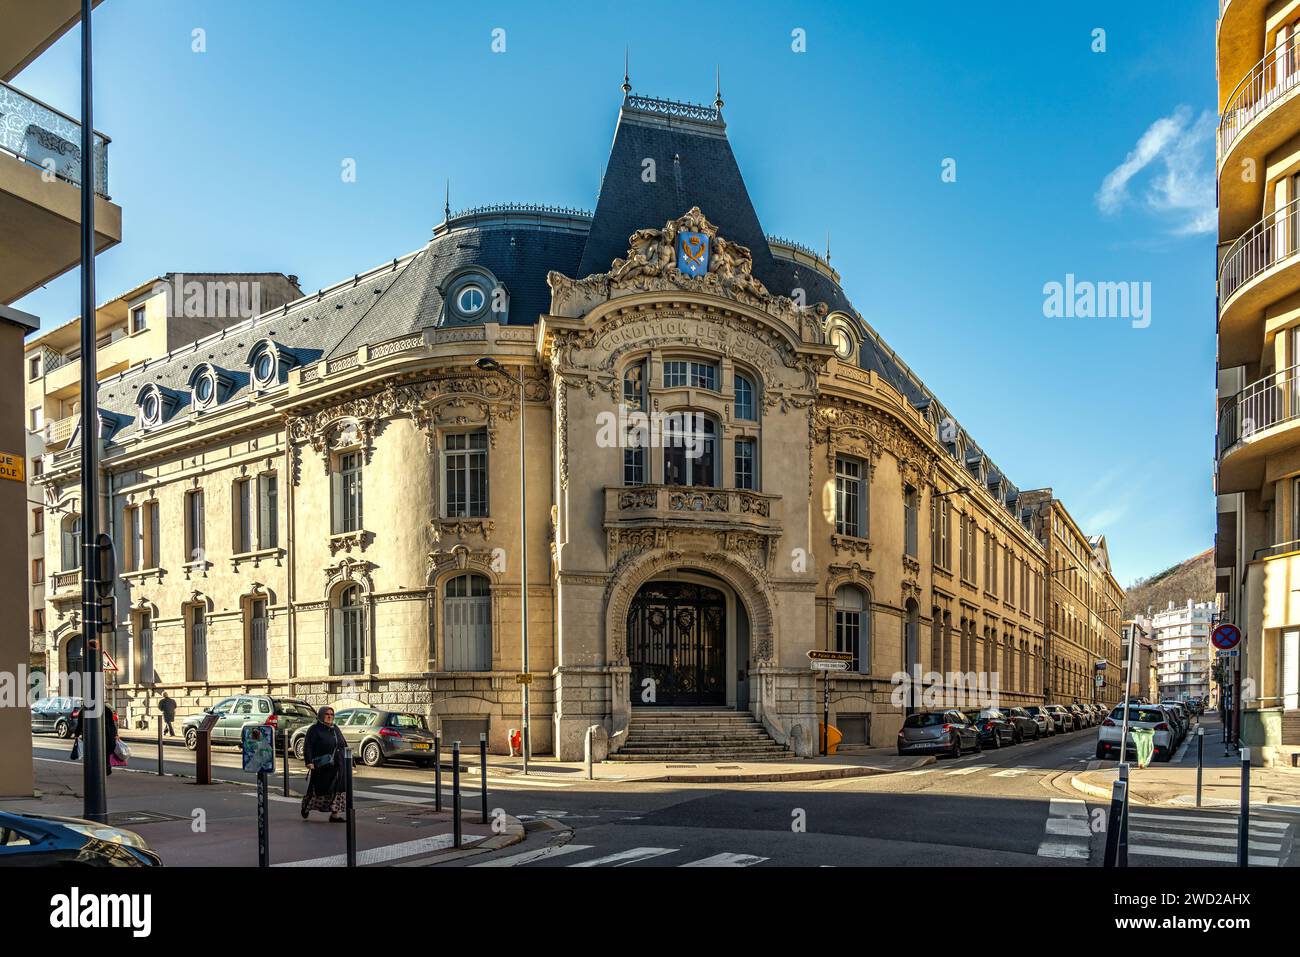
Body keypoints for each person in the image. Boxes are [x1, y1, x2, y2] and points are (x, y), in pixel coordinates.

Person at [301, 705, 347, 823]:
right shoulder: (314, 729)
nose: (329, 717)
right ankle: (306, 806)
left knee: (338, 788)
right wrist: (309, 761)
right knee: (318, 789)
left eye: (331, 715)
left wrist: (349, 760)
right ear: (321, 715)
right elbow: (308, 746)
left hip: (338, 764)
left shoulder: (335, 728)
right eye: (327, 714)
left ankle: (334, 815)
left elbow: (342, 743)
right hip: (322, 766)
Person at [73, 698, 119, 776]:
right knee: (106, 752)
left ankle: (97, 768)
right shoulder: (106, 709)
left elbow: (80, 724)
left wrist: (77, 734)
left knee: (92, 753)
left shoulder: (85, 710)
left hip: (91, 737)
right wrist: (115, 734)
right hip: (107, 735)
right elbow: (112, 724)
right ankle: (107, 767)